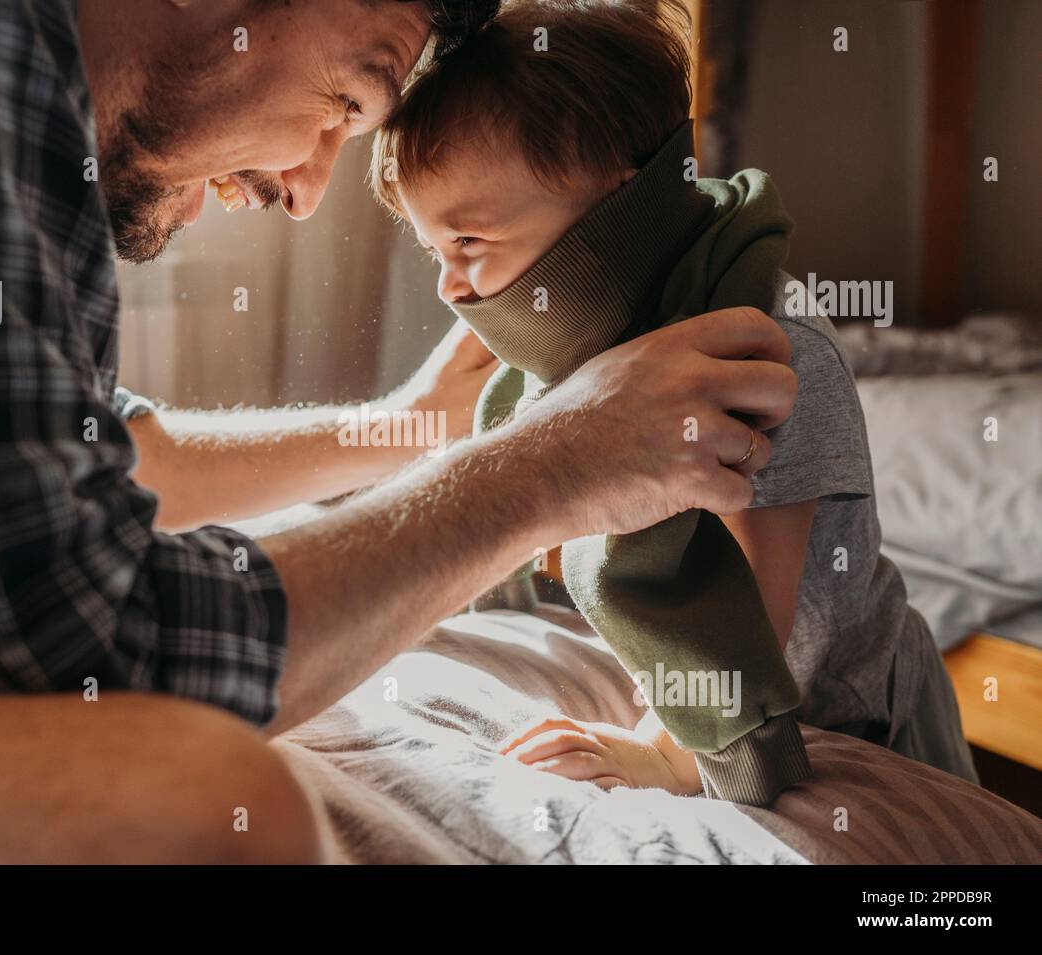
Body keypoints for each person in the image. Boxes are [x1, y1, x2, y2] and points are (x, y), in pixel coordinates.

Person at [0, 0, 796, 862]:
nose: (303, 193)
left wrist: (404, 430)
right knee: (210, 797)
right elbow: (91, 666)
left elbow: (92, 465)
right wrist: (550, 468)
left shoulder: (6, 93)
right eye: (347, 96)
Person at [371, 0, 977, 804]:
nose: (450, 284)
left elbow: (770, 627)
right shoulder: (575, 344)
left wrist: (667, 757)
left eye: (471, 243)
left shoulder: (771, 357)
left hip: (850, 706)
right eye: (432, 251)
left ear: (619, 211)